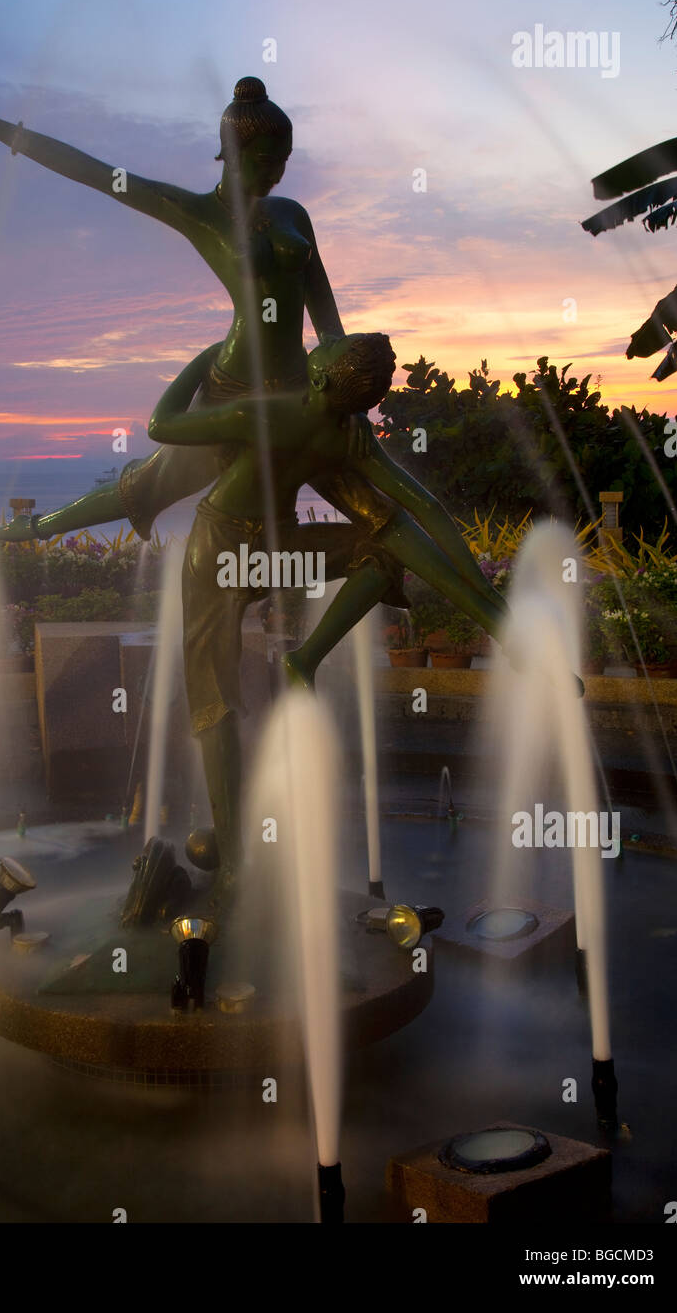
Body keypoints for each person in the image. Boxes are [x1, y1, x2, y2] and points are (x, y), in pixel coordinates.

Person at [0, 76, 390, 544]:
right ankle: (36, 528)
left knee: (381, 516)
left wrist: (351, 398)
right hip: (232, 390)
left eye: (283, 162)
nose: (276, 175)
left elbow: (325, 313)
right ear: (233, 153)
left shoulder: (292, 213)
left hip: (302, 389)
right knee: (147, 486)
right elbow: (91, 171)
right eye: (266, 162)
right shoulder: (198, 213)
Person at [147, 332, 510, 915]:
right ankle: (235, 853)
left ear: (316, 378)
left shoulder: (260, 412)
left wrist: (204, 357)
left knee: (214, 700)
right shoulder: (350, 439)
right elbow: (430, 510)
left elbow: (161, 426)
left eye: (315, 355)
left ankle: (303, 661)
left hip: (236, 550)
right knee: (378, 554)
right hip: (247, 553)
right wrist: (490, 597)